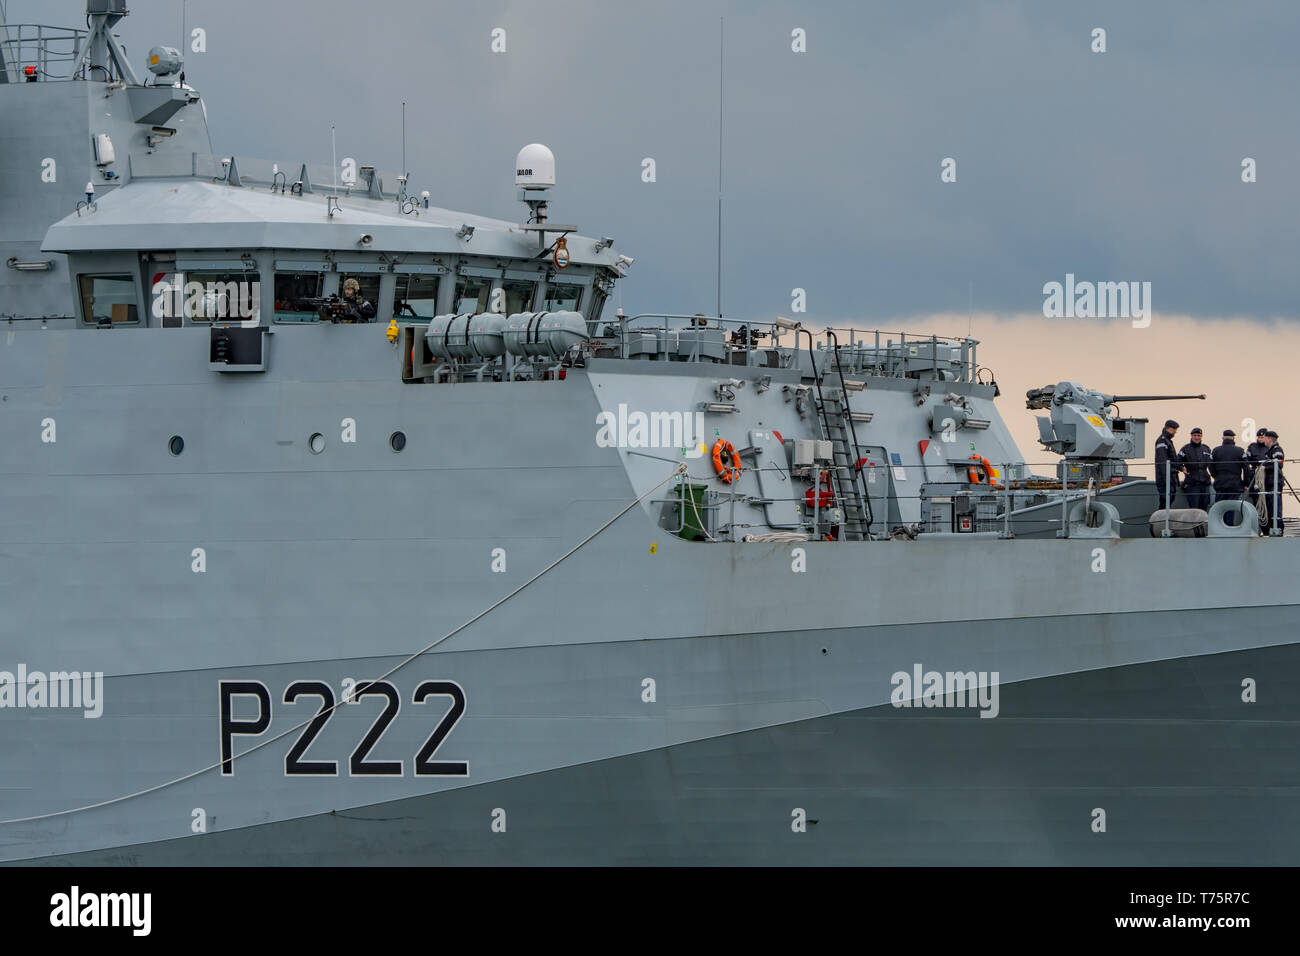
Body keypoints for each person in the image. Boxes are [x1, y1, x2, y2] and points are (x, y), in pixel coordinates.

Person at [1211, 429, 1248, 524]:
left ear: (1223, 438)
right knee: (1231, 508)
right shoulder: (1240, 451)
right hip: (1235, 484)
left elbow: (1210, 466)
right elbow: (1246, 468)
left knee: (1219, 508)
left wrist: (1216, 477)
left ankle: (1219, 527)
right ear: (1233, 438)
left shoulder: (1216, 450)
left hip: (1220, 484)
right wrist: (1245, 483)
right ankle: (1229, 526)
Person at [1178, 427, 1214, 512]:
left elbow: (1212, 464)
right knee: (1194, 510)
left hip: (1205, 484)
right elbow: (1177, 461)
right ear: (1191, 436)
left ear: (1201, 436)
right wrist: (1182, 468)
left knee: (1204, 509)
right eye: (1195, 435)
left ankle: (1202, 525)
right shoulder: (1185, 448)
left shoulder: (1206, 449)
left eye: (1199, 435)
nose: (1197, 437)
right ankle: (1195, 526)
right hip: (1192, 484)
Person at [1260, 430, 1285, 534]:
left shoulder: (1277, 450)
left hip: (1274, 482)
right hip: (1269, 482)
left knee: (1275, 505)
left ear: (1269, 439)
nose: (1263, 440)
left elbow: (1278, 464)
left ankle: (1278, 526)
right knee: (1270, 506)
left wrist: (1263, 467)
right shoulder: (1270, 450)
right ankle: (1270, 527)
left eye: (1265, 438)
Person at [1153, 419, 1182, 510]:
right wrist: (1167, 479)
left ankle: (1163, 521)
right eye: (1174, 430)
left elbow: (1173, 459)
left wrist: (1181, 468)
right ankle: (1160, 522)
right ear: (1168, 428)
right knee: (1165, 501)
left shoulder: (1167, 441)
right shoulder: (1162, 441)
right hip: (1165, 478)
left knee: (1169, 499)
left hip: (1170, 477)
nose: (1175, 432)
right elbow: (1163, 462)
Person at [1246, 427, 1268, 509]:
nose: (1260, 439)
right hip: (1255, 475)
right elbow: (1246, 461)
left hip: (1266, 475)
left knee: (1267, 499)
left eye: (1262, 437)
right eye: (1258, 437)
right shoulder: (1252, 447)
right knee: (1256, 498)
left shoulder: (1270, 448)